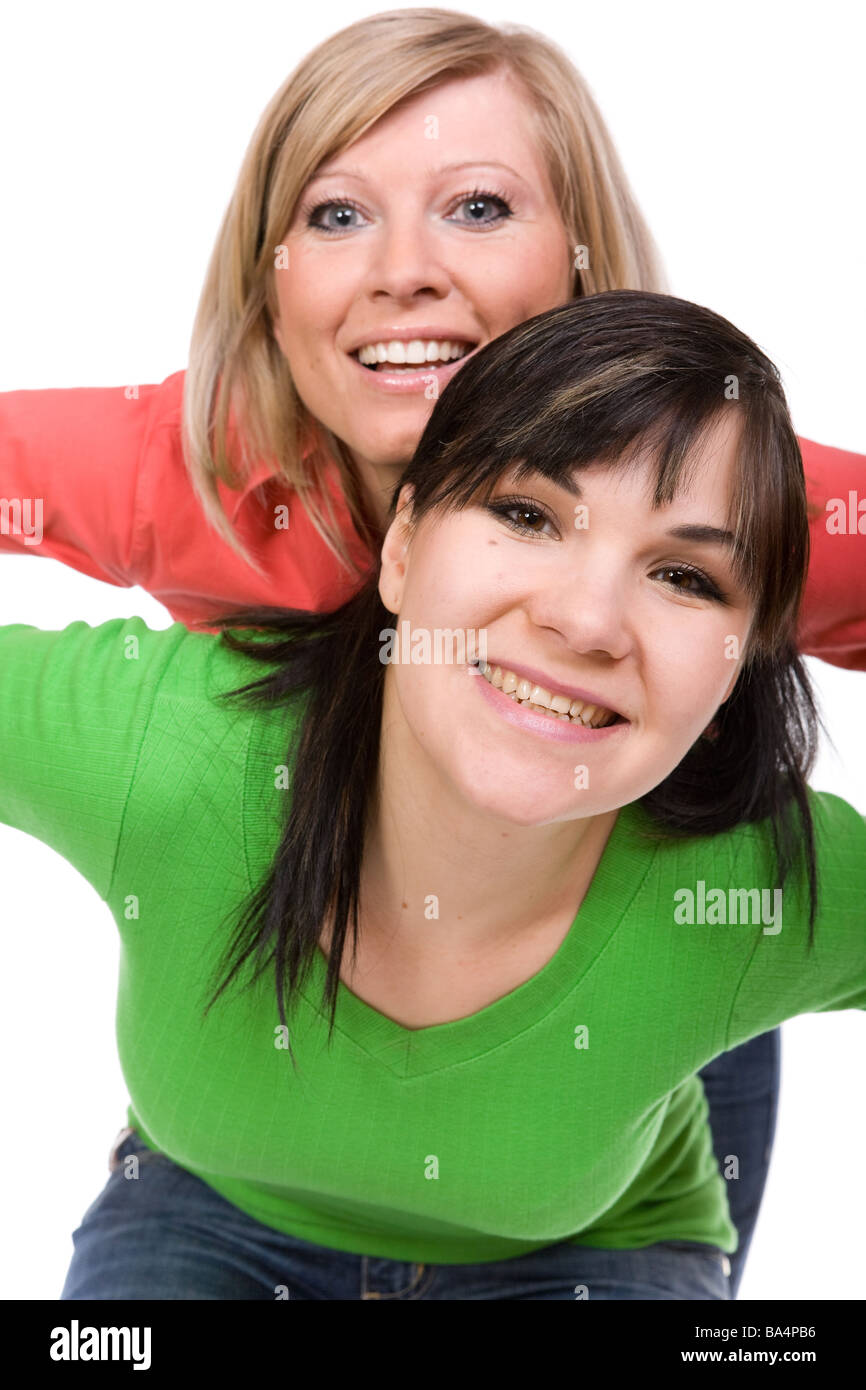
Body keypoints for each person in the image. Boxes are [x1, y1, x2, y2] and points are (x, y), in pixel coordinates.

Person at [1, 10, 863, 1296]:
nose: (405, 268)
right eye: (339, 215)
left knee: (682, 942)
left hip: (625, 897)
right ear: (267, 278)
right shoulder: (179, 469)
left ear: (583, 268)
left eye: (475, 207)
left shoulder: (739, 485)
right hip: (306, 926)